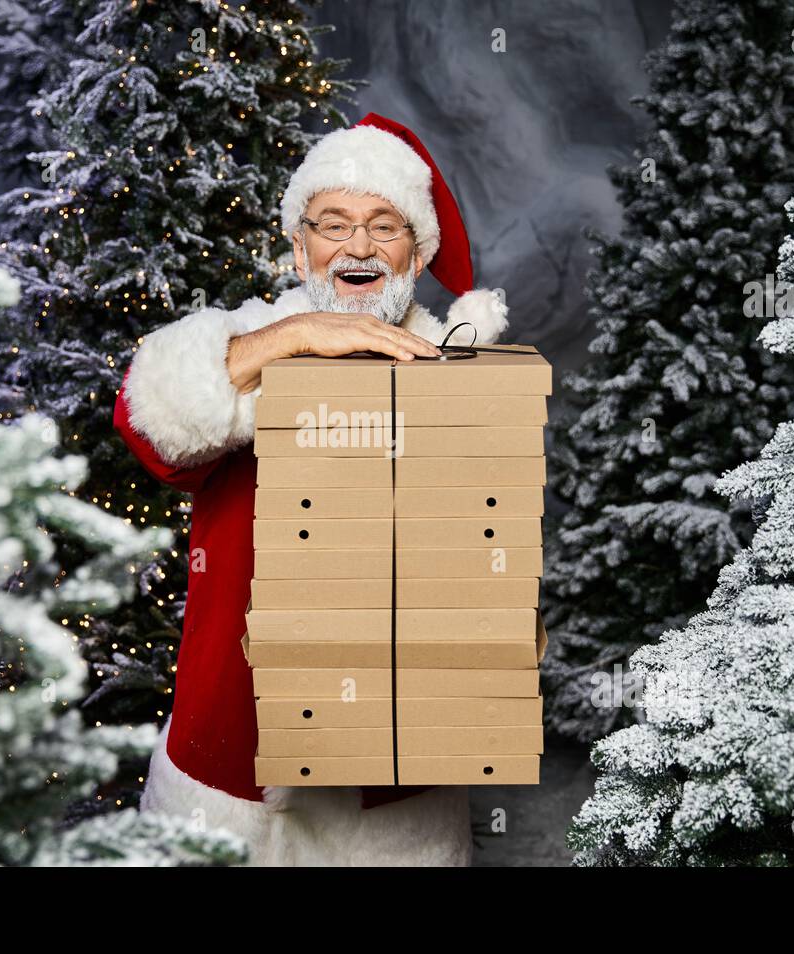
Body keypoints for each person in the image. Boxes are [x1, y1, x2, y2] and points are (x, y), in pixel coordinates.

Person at [113, 113, 509, 865]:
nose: (358, 247)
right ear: (301, 247)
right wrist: (296, 340)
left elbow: (491, 551)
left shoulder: (463, 375)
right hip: (229, 768)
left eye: (383, 226)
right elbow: (147, 421)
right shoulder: (245, 339)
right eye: (334, 225)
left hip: (390, 789)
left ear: (416, 251)